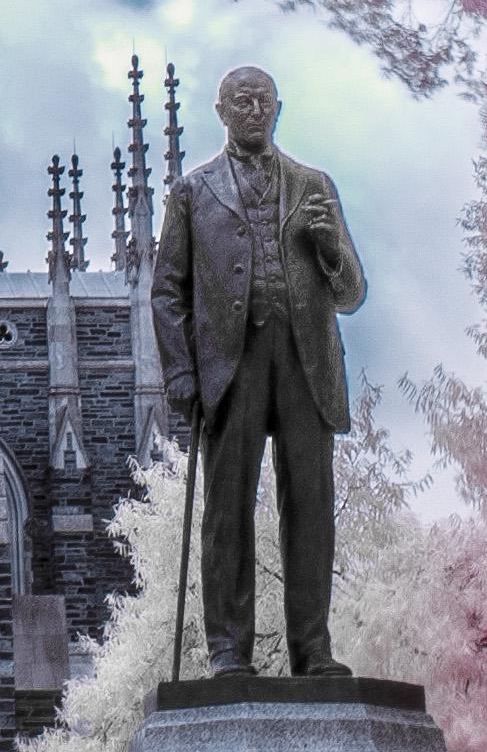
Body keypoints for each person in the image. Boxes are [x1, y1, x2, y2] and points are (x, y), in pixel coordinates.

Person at [146, 62, 369, 678]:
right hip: (230, 365)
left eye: (264, 100)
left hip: (305, 363)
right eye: (241, 101)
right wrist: (181, 375)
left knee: (310, 507)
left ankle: (312, 649)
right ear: (221, 112)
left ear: (278, 108)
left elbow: (352, 293)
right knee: (227, 510)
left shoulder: (314, 186)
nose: (254, 110)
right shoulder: (193, 192)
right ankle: (228, 651)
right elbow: (167, 292)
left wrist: (330, 249)